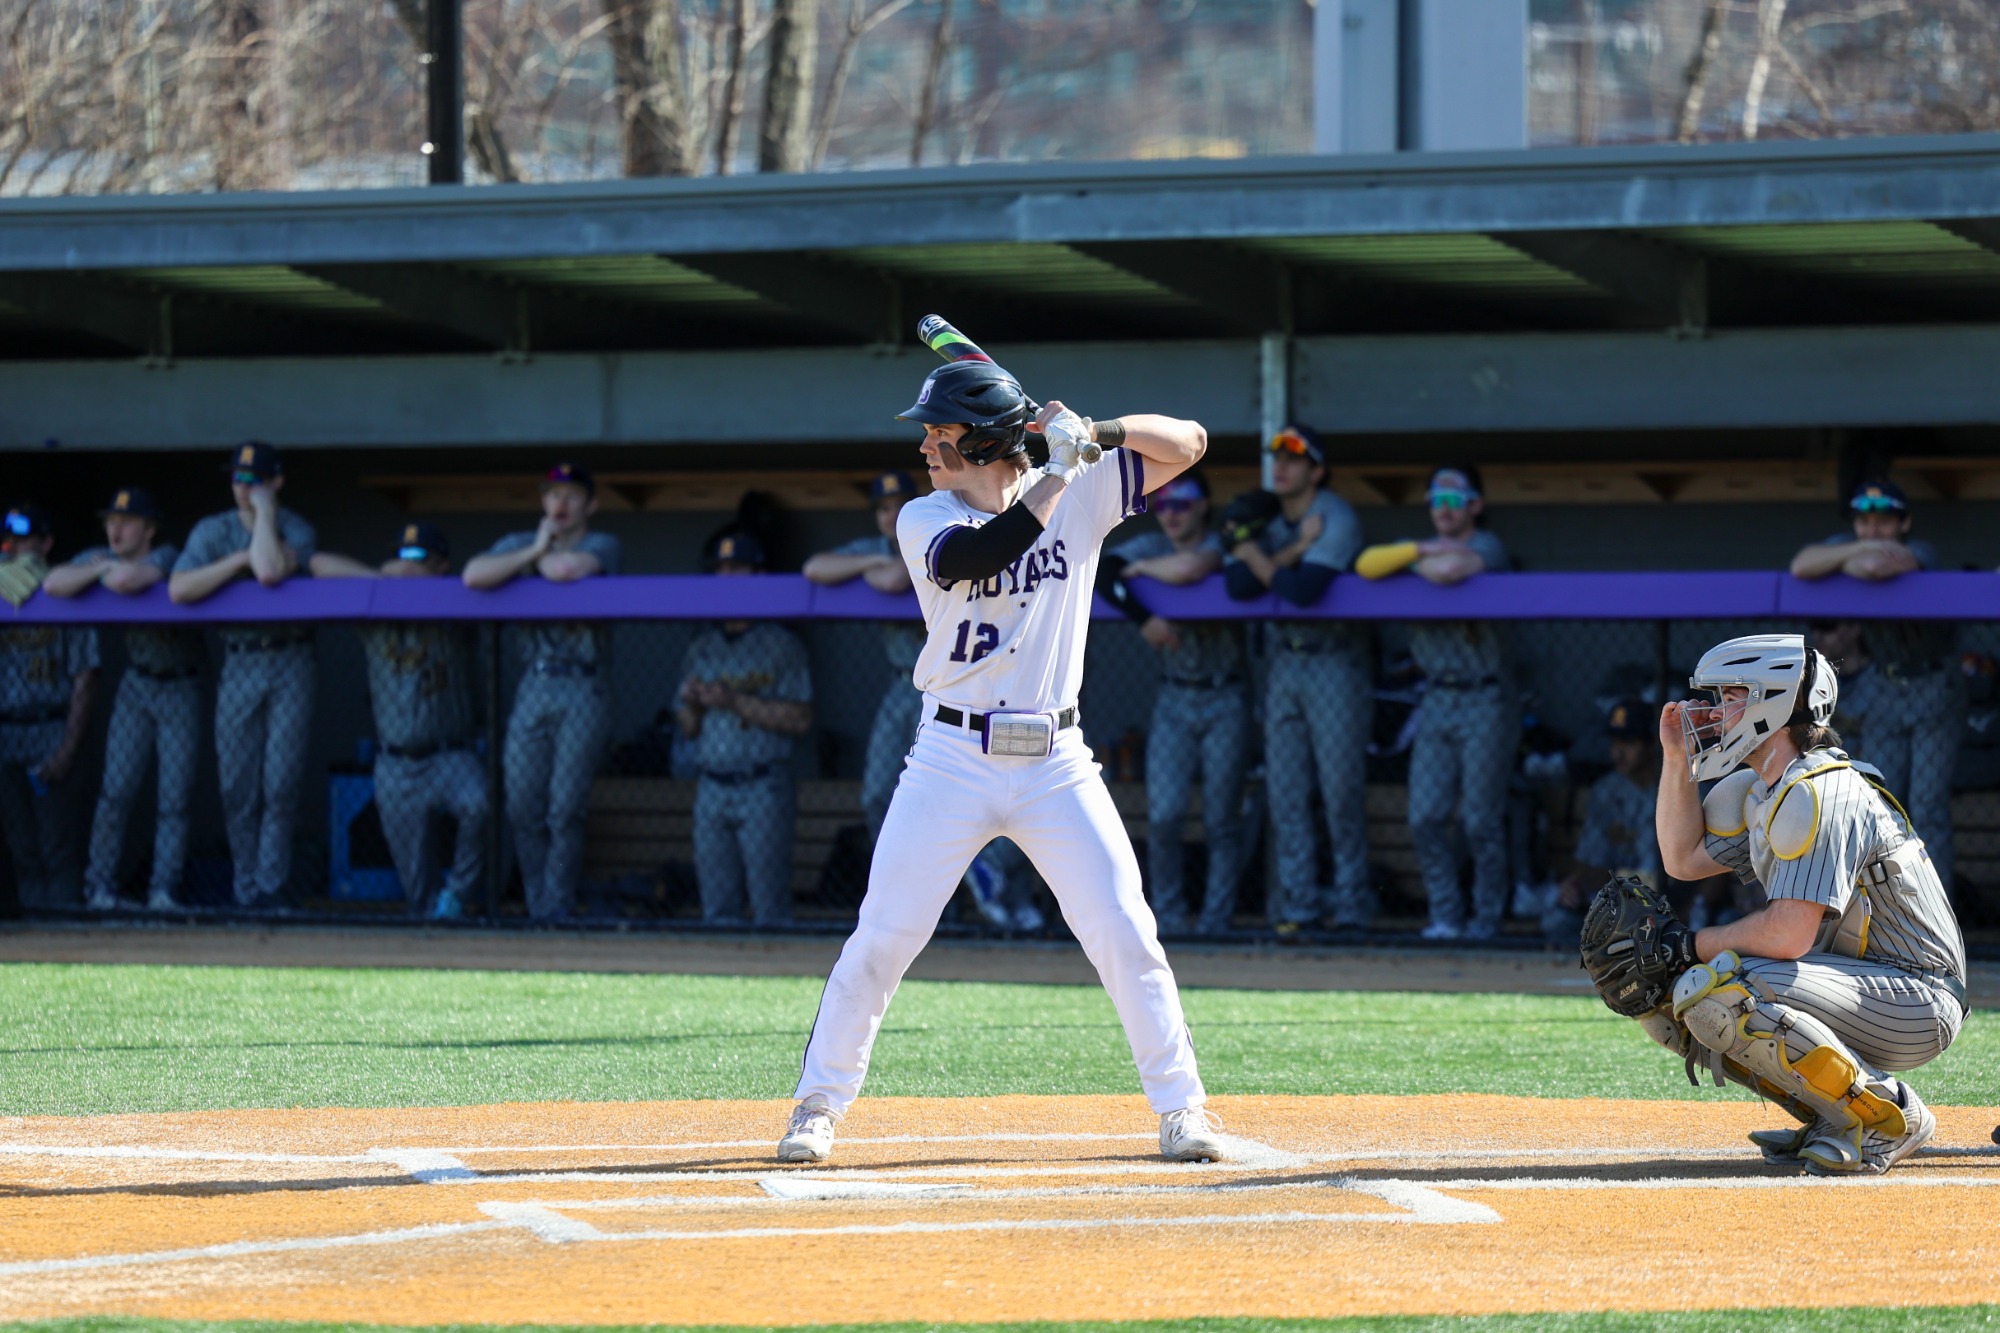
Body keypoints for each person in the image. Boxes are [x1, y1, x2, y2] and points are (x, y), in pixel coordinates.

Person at [778, 347, 1222, 1166]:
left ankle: (1182, 1107)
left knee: (1125, 930)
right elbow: (985, 556)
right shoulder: (926, 517)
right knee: (884, 936)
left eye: (940, 435)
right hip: (951, 755)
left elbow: (1190, 441)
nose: (924, 449)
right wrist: (1060, 465)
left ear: (983, 443)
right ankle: (817, 1104)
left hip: (1058, 757)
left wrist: (1098, 431)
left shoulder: (1082, 480)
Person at [1645, 632, 1964, 1175]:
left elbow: (1787, 935)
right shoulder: (1767, 788)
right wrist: (1676, 760)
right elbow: (1682, 858)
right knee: (1663, 994)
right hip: (1861, 981)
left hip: (1918, 994)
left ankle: (1891, 1115)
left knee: (1720, 987)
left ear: (1773, 702)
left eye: (1729, 697)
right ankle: (1831, 1114)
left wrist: (1694, 943)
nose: (1714, 712)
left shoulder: (1821, 789)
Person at [1221, 426, 1370, 935]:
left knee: (1340, 793)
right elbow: (1239, 586)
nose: (1280, 465)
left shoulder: (1334, 513)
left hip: (1334, 660)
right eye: (1275, 456)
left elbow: (1304, 589)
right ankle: (1300, 907)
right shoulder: (1266, 512)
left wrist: (1260, 556)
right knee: (1285, 792)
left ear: (1317, 469)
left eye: (1294, 457)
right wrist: (1283, 553)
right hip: (1284, 662)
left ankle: (1352, 907)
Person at [1356, 465, 1515, 941]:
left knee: (1480, 818)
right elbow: (1366, 565)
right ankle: (1447, 915)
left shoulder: (1487, 546)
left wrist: (1414, 563)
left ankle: (1486, 919)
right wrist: (1420, 549)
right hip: (1438, 698)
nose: (1443, 510)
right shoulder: (1417, 548)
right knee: (1424, 814)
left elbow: (1451, 571)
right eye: (1435, 501)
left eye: (1454, 501)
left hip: (1485, 694)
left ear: (1475, 506)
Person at [463, 462, 621, 921]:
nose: (561, 505)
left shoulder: (603, 543)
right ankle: (538, 906)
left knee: (564, 807)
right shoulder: (524, 543)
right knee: (522, 803)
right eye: (553, 496)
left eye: (572, 496)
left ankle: (556, 907)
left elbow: (567, 569)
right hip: (534, 679)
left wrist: (535, 557)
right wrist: (532, 549)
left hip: (583, 682)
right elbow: (474, 574)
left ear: (590, 504)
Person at [1790, 479, 1963, 894]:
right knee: (1882, 801)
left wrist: (1849, 559)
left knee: (1926, 805)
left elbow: (1876, 568)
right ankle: (1890, 908)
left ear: (1903, 522)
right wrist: (1854, 549)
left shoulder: (1919, 552)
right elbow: (1802, 564)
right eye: (1864, 522)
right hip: (1885, 687)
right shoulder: (1854, 544)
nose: (1872, 530)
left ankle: (1938, 906)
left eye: (1883, 521)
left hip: (1933, 681)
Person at [313, 523, 488, 919]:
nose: (406, 568)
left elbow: (476, 586)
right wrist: (382, 582)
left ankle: (458, 896)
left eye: (419, 561)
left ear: (442, 566)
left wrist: (403, 585)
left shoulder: (456, 604)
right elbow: (320, 564)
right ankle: (429, 930)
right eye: (400, 559)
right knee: (416, 884)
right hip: (394, 760)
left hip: (450, 753)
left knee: (479, 806)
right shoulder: (374, 610)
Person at [170, 443, 317, 910]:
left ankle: (270, 891)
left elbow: (271, 570)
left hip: (290, 660)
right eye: (238, 478)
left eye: (255, 479)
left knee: (280, 783)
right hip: (239, 660)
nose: (243, 487)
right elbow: (179, 589)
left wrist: (265, 515)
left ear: (276, 482)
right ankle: (245, 888)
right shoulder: (212, 531)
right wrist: (235, 563)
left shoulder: (295, 528)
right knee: (236, 786)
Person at [1100, 470, 1244, 936]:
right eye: (1163, 506)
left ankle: (1217, 919)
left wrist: (1140, 573)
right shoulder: (1149, 544)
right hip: (1174, 695)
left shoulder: (1224, 543)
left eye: (1182, 504)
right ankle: (1168, 915)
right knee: (1164, 815)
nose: (1172, 514)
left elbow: (1191, 569)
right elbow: (1103, 571)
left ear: (1203, 505)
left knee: (1222, 817)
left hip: (1225, 692)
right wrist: (1143, 618)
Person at [47, 489, 201, 912]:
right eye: (111, 520)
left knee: (175, 796)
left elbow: (129, 581)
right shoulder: (101, 553)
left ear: (149, 529)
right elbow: (54, 583)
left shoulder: (169, 553)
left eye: (126, 521)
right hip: (137, 683)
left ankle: (163, 893)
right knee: (115, 792)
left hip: (179, 683)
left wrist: (105, 570)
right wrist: (100, 569)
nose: (115, 528)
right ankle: (100, 890)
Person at [677, 529, 813, 927]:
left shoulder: (781, 644)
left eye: (736, 567)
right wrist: (692, 702)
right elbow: (687, 729)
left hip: (763, 783)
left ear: (758, 575)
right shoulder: (701, 646)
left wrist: (734, 701)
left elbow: (801, 719)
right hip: (710, 786)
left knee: (769, 908)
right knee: (716, 910)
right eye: (719, 569)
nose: (726, 576)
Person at [802, 471, 924, 841]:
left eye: (898, 505)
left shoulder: (933, 533)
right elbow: (814, 568)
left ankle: (958, 896)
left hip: (949, 688)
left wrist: (877, 573)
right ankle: (891, 879)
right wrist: (871, 562)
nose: (890, 515)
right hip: (902, 684)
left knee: (942, 799)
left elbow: (894, 581)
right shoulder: (878, 549)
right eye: (882, 508)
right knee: (877, 793)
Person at [0, 504, 99, 908]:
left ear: (46, 543)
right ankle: (35, 946)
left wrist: (67, 749)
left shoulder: (69, 595)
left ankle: (63, 936)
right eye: (10, 542)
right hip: (6, 730)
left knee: (56, 845)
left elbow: (87, 677)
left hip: (52, 726)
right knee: (21, 848)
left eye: (27, 542)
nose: (17, 550)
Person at [1542, 698, 1661, 947]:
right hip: (1618, 900)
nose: (1618, 752)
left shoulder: (1678, 786)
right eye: (1614, 743)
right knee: (1556, 921)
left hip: (1670, 901)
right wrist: (1576, 882)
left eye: (1628, 743)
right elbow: (1591, 864)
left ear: (1652, 744)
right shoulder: (1605, 791)